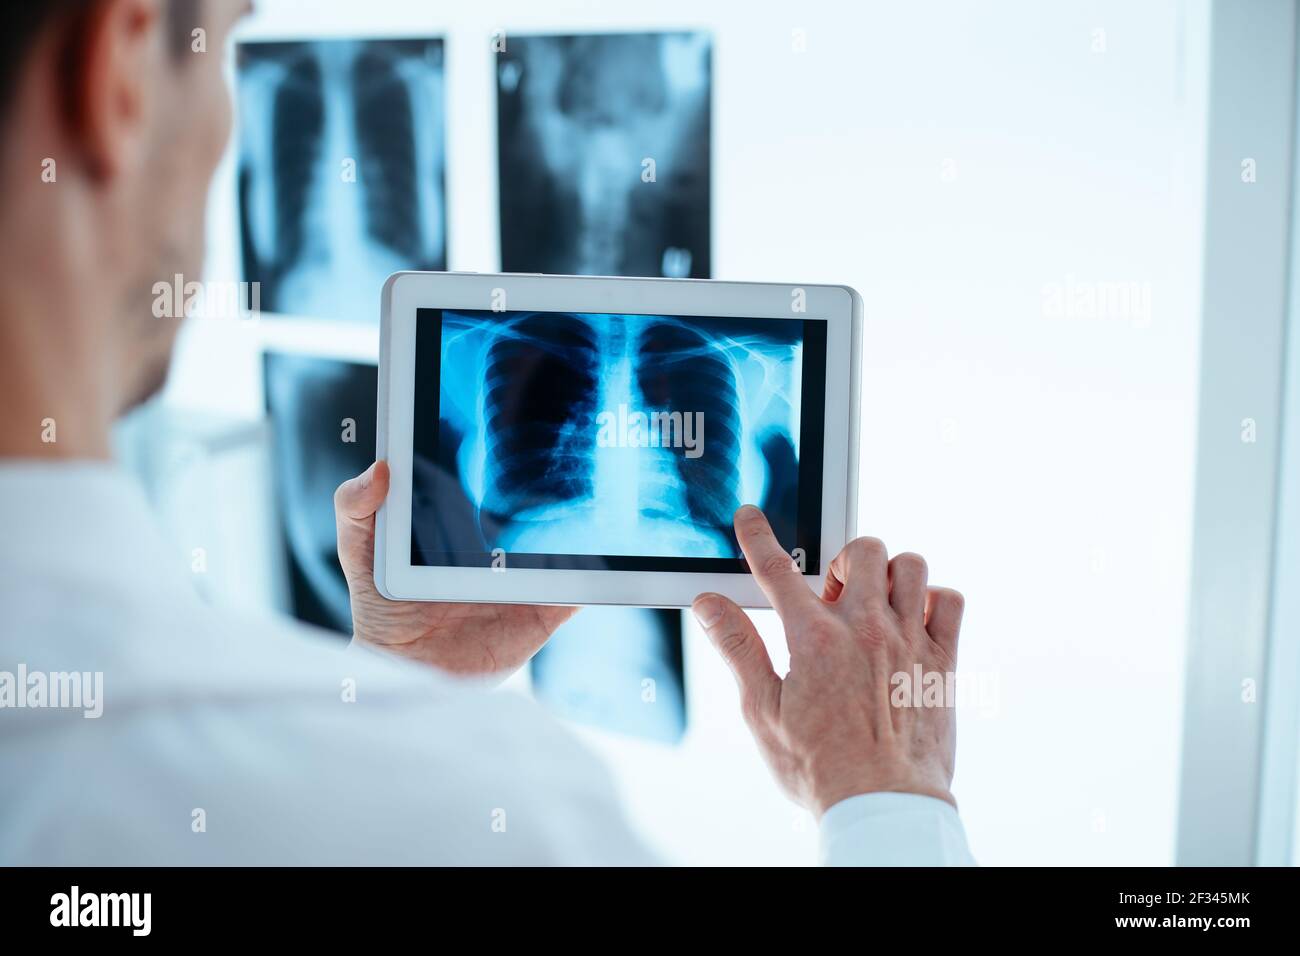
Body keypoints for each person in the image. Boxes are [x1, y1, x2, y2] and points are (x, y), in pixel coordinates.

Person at [0, 0, 974, 866]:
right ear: (119, 59)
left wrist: (396, 689)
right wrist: (883, 794)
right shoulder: (497, 810)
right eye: (223, 48)